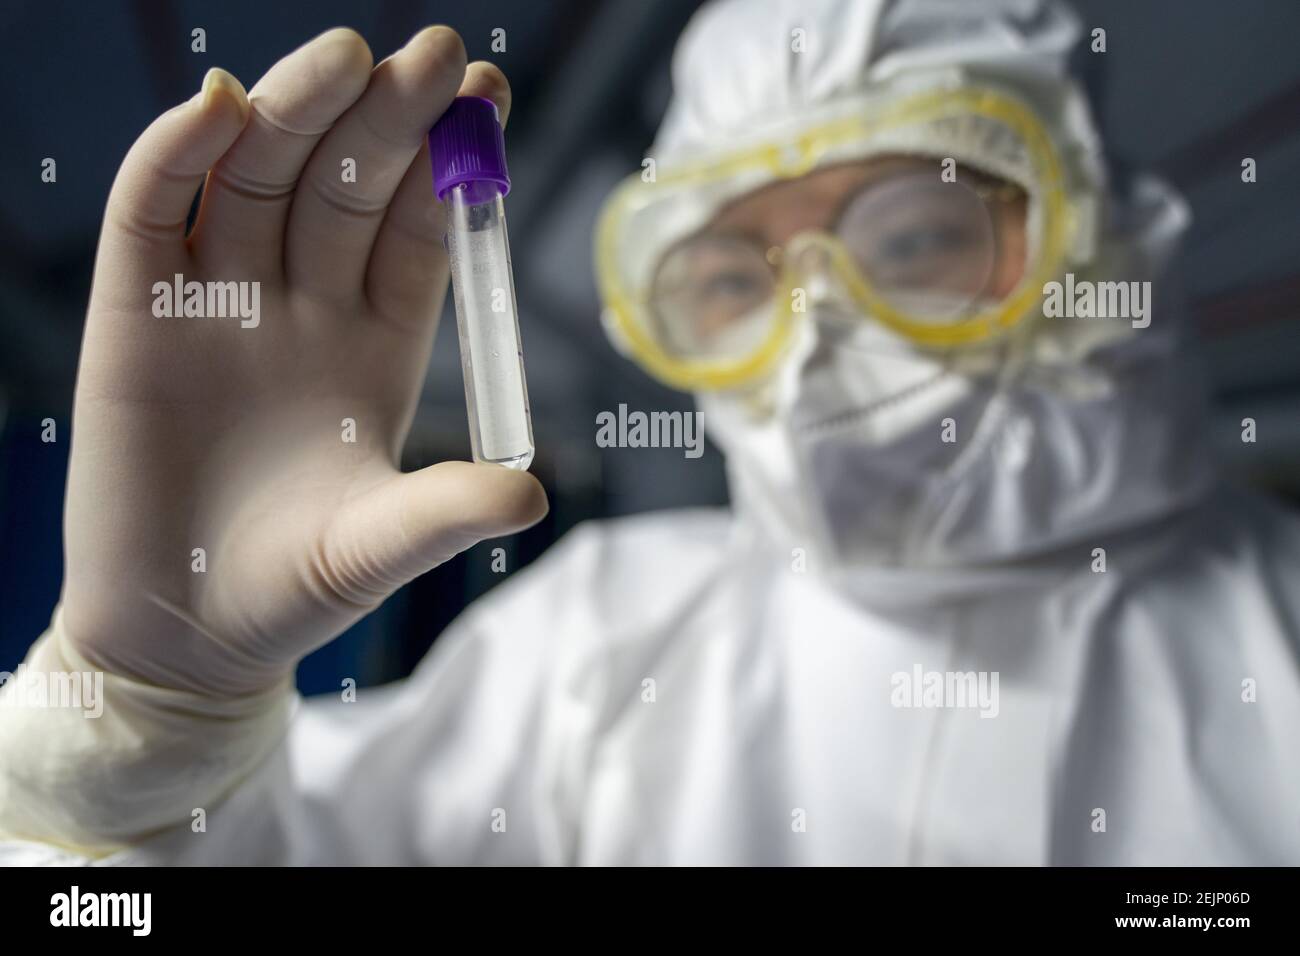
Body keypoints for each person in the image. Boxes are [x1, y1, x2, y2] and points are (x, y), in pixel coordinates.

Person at [2, 0, 1298, 865]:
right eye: (734, 279)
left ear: (1095, 230)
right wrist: (146, 728)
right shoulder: (596, 646)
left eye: (913, 238)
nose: (820, 330)